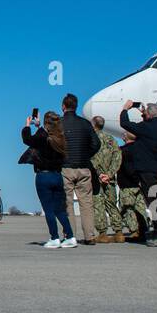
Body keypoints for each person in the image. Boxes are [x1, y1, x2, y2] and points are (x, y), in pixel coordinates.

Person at [120, 101, 157, 246]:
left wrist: (125, 109)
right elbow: (148, 128)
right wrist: (145, 114)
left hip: (147, 170)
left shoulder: (146, 127)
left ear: (148, 114)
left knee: (154, 203)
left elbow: (125, 123)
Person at [20, 111, 73, 248]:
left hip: (43, 176)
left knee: (48, 209)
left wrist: (27, 125)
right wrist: (39, 127)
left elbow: (27, 139)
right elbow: (46, 137)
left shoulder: (43, 139)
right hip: (57, 175)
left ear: (45, 123)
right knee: (59, 209)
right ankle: (70, 236)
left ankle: (54, 238)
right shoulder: (60, 139)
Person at [58, 93, 100, 247]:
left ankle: (70, 235)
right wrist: (85, 156)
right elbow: (96, 143)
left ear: (63, 106)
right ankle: (89, 236)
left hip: (66, 167)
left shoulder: (60, 124)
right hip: (83, 167)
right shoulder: (85, 124)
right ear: (76, 106)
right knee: (87, 203)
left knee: (67, 203)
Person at [90, 116, 126, 243]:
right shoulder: (111, 139)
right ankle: (119, 232)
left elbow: (92, 159)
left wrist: (99, 174)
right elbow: (117, 157)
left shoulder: (91, 139)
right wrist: (110, 174)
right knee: (111, 204)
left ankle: (102, 233)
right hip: (109, 178)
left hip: (96, 178)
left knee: (98, 204)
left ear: (93, 124)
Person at [117, 131, 150, 241]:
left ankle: (135, 230)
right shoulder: (141, 149)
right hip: (139, 183)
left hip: (126, 183)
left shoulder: (122, 151)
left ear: (125, 138)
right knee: (140, 207)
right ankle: (144, 227)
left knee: (128, 208)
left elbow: (127, 167)